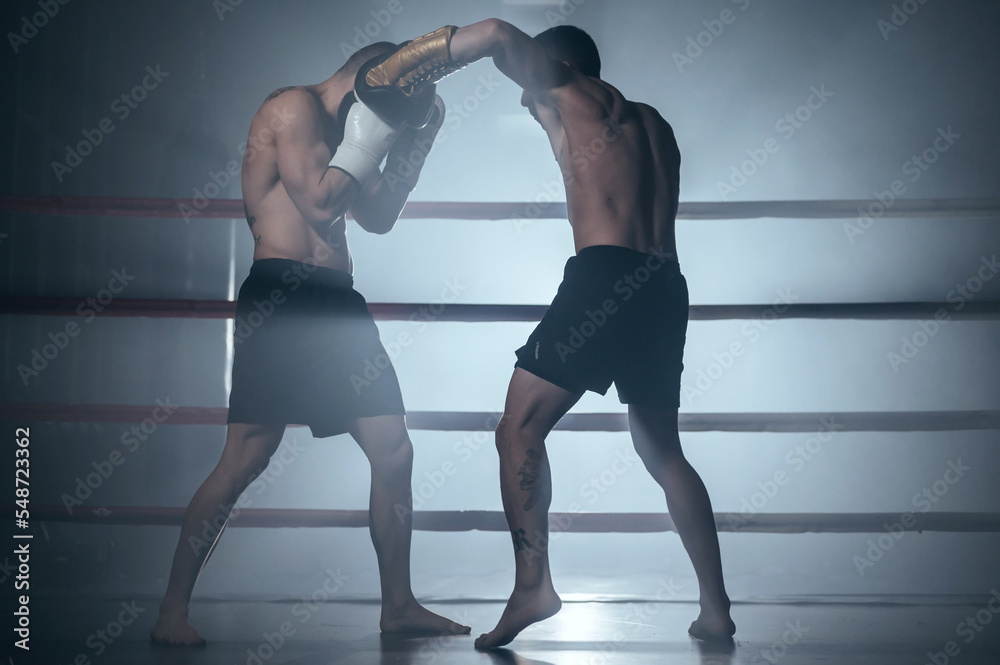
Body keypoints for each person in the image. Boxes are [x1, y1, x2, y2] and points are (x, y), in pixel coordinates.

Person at [362, 21, 735, 649]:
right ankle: (717, 609)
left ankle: (533, 586)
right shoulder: (656, 125)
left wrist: (406, 65)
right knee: (662, 450)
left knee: (517, 429)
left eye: (529, 86)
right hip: (665, 286)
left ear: (554, 66)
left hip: (604, 277)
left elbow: (496, 35)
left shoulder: (566, 91)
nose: (523, 100)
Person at [150, 42, 470, 645]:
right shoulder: (292, 108)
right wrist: (376, 133)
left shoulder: (355, 127)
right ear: (366, 83)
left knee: (394, 451)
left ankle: (398, 605)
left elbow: (378, 218)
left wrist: (416, 143)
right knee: (246, 457)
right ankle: (171, 612)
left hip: (338, 301)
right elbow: (321, 202)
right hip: (282, 298)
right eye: (387, 110)